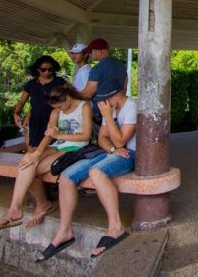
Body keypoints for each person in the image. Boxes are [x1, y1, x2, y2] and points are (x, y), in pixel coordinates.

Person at [38, 77, 135, 261]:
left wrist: (108, 118)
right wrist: (113, 148)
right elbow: (103, 140)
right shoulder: (110, 107)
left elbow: (122, 140)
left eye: (105, 98)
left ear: (116, 93)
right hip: (111, 151)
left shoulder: (131, 107)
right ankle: (64, 231)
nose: (102, 103)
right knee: (66, 177)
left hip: (131, 153)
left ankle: (116, 227)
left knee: (96, 172)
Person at [0, 83, 92, 231]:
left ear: (68, 98)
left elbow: (86, 136)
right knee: (27, 161)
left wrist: (58, 135)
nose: (57, 109)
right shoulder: (56, 111)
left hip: (77, 147)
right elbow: (48, 136)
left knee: (30, 169)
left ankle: (37, 205)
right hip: (59, 145)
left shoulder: (84, 107)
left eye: (59, 106)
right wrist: (36, 154)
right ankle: (15, 208)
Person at [14, 55, 67, 150]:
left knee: (51, 146)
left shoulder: (60, 82)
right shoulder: (31, 84)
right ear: (38, 70)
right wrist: (16, 113)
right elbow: (22, 101)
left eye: (50, 69)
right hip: (36, 119)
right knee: (33, 147)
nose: (47, 72)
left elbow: (72, 95)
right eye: (43, 69)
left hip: (54, 118)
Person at [78, 38, 127, 112]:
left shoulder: (99, 67)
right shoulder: (121, 65)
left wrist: (70, 96)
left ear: (100, 51)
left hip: (102, 110)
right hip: (120, 108)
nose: (90, 54)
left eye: (91, 51)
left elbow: (87, 94)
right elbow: (125, 87)